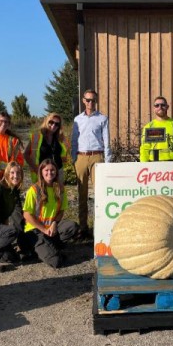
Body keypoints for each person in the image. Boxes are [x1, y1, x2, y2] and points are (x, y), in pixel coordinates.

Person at [20, 159, 80, 268]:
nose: (49, 173)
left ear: (56, 172)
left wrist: (54, 223)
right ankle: (40, 249)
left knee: (72, 226)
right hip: (35, 230)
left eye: (52, 170)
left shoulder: (60, 189)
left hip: (51, 227)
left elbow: (61, 211)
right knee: (56, 261)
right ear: (41, 172)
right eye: (46, 170)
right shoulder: (34, 190)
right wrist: (44, 229)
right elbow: (27, 215)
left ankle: (49, 246)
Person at [71, 89, 111, 238]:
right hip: (81, 157)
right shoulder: (77, 120)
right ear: (83, 101)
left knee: (99, 193)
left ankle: (100, 226)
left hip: (97, 157)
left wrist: (107, 161)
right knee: (82, 194)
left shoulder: (102, 118)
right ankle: (83, 227)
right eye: (88, 100)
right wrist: (73, 158)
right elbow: (74, 140)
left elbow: (106, 140)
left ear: (96, 101)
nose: (90, 103)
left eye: (93, 100)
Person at [139, 96, 173, 162]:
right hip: (154, 165)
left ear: (167, 107)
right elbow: (145, 148)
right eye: (157, 105)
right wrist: (143, 165)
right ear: (154, 108)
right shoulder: (149, 127)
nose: (160, 107)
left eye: (163, 105)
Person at [24, 112, 69, 183]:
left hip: (57, 172)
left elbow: (66, 153)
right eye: (51, 122)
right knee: (41, 193)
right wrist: (35, 168)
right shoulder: (36, 137)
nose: (54, 125)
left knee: (58, 193)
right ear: (46, 121)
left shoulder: (61, 138)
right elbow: (26, 154)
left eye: (57, 124)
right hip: (41, 172)